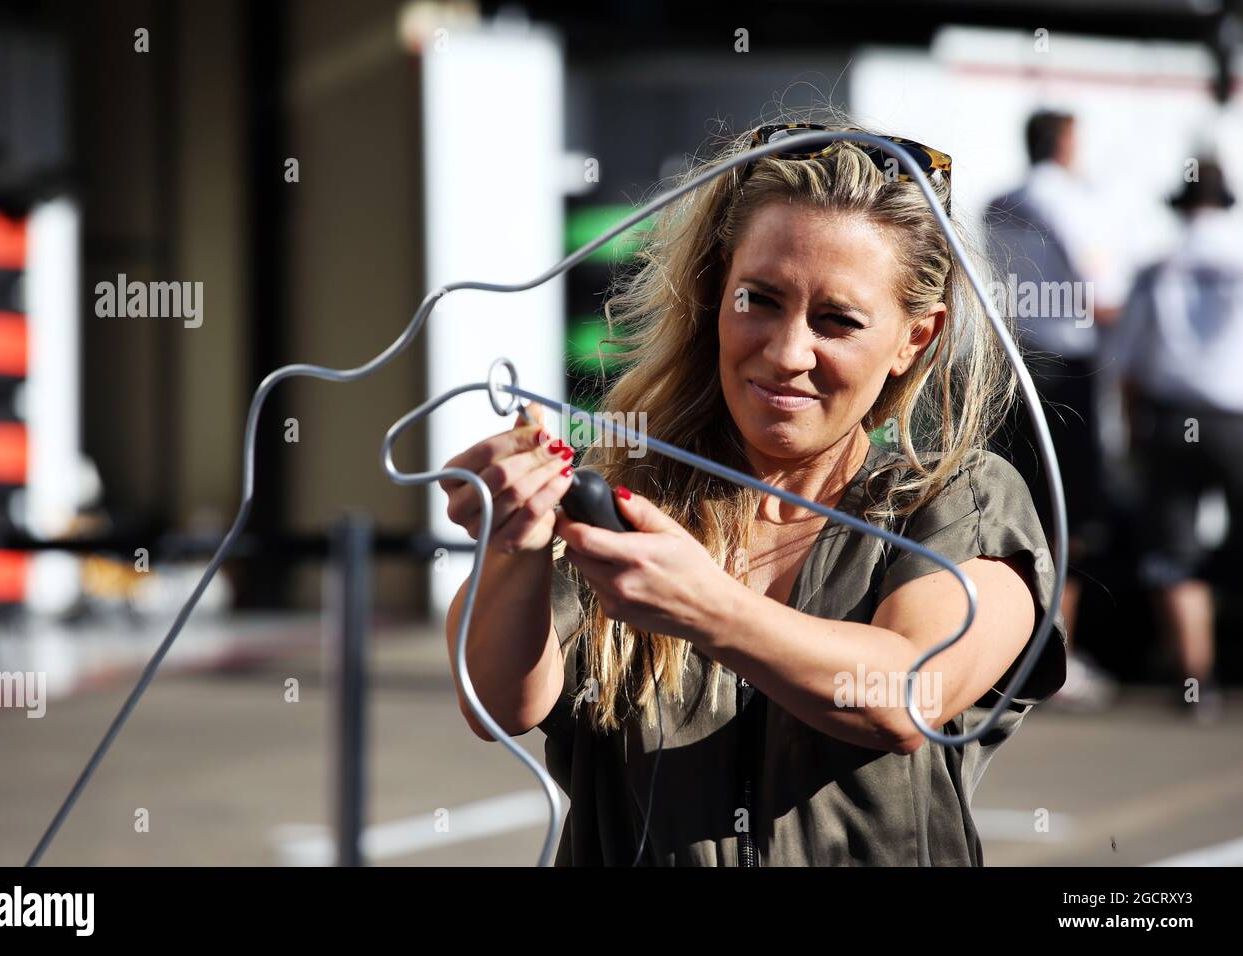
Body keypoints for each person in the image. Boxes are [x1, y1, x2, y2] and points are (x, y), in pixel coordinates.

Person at [441, 117, 1067, 866]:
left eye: (837, 320)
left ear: (916, 339)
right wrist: (517, 544)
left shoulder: (958, 501)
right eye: (759, 300)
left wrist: (708, 607)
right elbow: (500, 704)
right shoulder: (622, 490)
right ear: (716, 294)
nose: (786, 352)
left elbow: (907, 696)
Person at [982, 109, 1121, 712]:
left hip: (1013, 364)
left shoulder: (997, 200)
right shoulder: (1064, 197)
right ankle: (1052, 653)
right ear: (1065, 142)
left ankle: (1004, 648)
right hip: (1065, 371)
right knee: (1070, 518)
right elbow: (1101, 290)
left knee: (1014, 506)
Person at [1104, 158, 1242, 724]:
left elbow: (1127, 364)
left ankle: (1197, 684)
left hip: (1173, 419)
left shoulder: (1157, 267)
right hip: (1237, 419)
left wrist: (1133, 438)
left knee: (1175, 553)